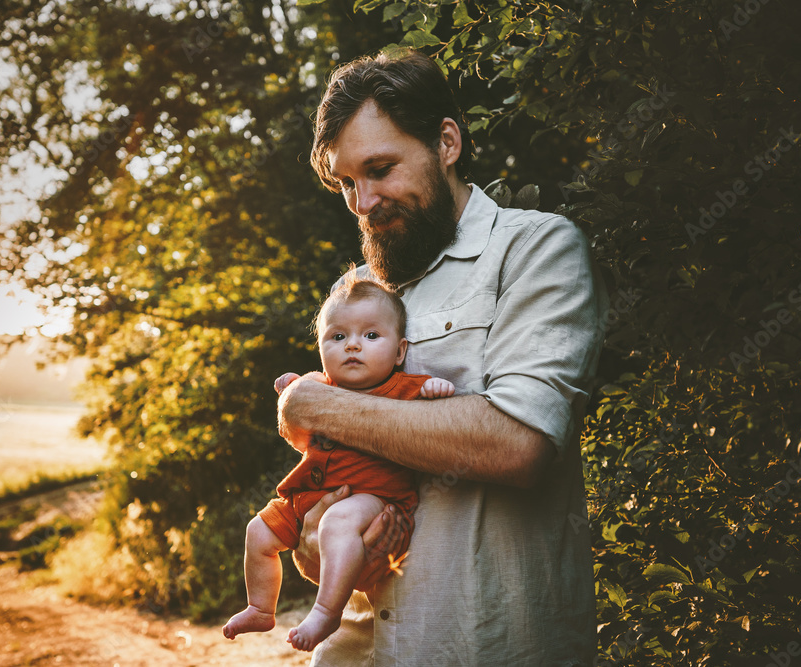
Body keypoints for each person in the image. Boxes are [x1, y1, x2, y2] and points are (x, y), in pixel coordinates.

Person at [276, 49, 608, 665]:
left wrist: (312, 404)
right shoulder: (365, 299)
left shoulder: (535, 250)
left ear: (447, 143)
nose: (363, 202)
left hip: (484, 646)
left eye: (380, 168)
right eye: (348, 181)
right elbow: (312, 536)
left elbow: (519, 442)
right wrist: (320, 535)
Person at [223, 275, 455, 652]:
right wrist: (292, 385)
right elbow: (300, 399)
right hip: (306, 495)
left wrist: (431, 388)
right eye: (338, 337)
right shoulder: (322, 387)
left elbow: (425, 392)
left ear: (399, 352)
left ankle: (328, 610)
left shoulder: (398, 387)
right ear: (321, 347)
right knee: (257, 533)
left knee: (337, 522)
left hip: (374, 494)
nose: (352, 345)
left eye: (370, 336)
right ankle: (260, 607)